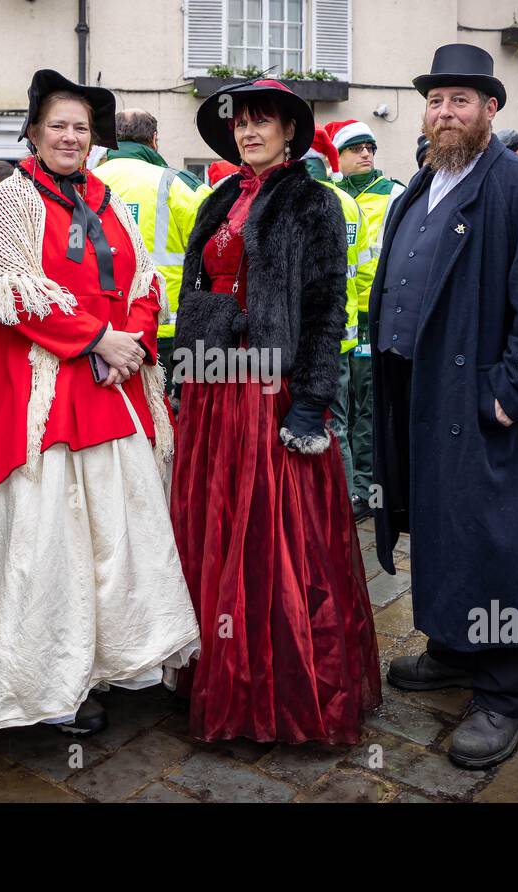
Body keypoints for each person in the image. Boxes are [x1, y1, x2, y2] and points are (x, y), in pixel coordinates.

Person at [0, 70, 199, 738]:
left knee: (116, 526)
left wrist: (128, 342)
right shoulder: (10, 200)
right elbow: (9, 289)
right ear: (34, 133)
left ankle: (108, 660)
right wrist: (98, 339)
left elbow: (143, 277)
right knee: (48, 532)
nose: (70, 137)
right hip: (36, 385)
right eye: (57, 126)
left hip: (112, 384)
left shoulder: (110, 199)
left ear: (94, 137)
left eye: (80, 127)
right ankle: (43, 683)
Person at [372, 44, 518, 769]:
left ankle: (503, 693)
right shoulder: (416, 188)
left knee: (496, 541)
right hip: (416, 392)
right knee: (437, 525)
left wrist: (511, 395)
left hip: (479, 398)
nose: (445, 112)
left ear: (491, 110)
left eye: (461, 100)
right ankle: (454, 649)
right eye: (435, 100)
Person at [171, 77, 381, 744]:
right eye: (240, 123)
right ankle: (218, 672)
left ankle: (278, 691)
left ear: (291, 132)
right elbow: (193, 288)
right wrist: (185, 366)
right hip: (214, 388)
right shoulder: (220, 196)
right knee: (216, 529)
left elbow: (326, 310)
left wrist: (312, 405)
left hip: (271, 391)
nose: (249, 132)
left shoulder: (314, 203)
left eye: (263, 122)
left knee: (270, 540)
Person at [94, 108, 210, 391]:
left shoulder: (84, 181)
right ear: (154, 140)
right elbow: (215, 253)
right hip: (168, 329)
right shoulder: (179, 184)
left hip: (99, 333)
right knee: (169, 420)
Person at [327, 118, 405, 520]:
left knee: (371, 406)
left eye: (370, 148)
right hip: (342, 318)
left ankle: (367, 489)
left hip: (378, 315)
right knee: (345, 405)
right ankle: (350, 484)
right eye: (357, 149)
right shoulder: (330, 195)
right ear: (337, 157)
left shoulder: (394, 195)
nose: (366, 155)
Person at [300, 126, 368, 512]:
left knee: (302, 425)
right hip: (341, 336)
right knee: (337, 424)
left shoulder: (293, 199)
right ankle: (341, 506)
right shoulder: (347, 202)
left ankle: (313, 507)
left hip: (302, 339)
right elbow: (364, 271)